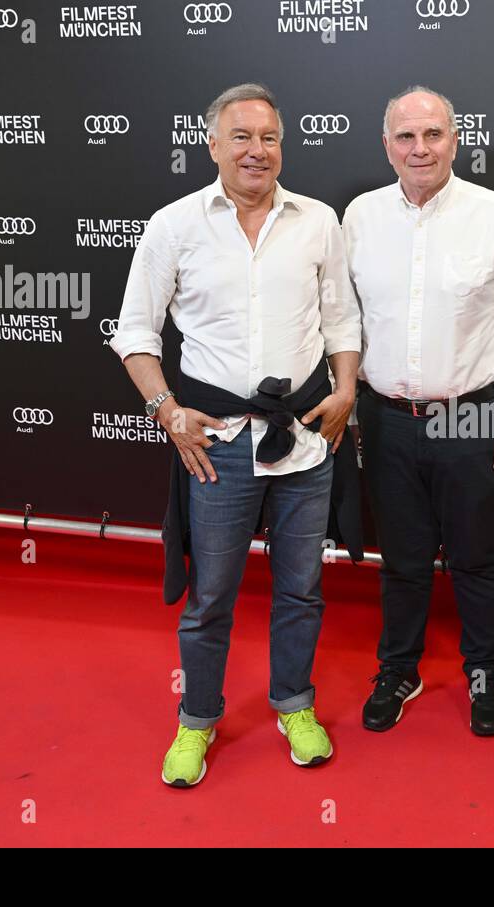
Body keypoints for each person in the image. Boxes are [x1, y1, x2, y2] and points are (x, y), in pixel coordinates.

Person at [111, 83, 361, 786]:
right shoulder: (174, 225)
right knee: (212, 594)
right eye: (242, 136)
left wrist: (345, 390)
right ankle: (196, 720)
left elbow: (341, 320)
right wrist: (166, 409)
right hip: (218, 446)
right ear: (212, 143)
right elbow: (134, 332)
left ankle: (294, 705)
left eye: (270, 138)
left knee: (303, 589)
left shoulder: (318, 222)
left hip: (307, 444)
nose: (258, 150)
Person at [343, 86, 494, 736]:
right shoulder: (360, 217)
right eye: (406, 136)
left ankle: (485, 678)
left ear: (456, 140)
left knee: (477, 559)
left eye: (433, 135)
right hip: (388, 417)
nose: (420, 148)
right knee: (401, 560)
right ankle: (399, 670)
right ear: (387, 145)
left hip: (471, 416)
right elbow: (344, 321)